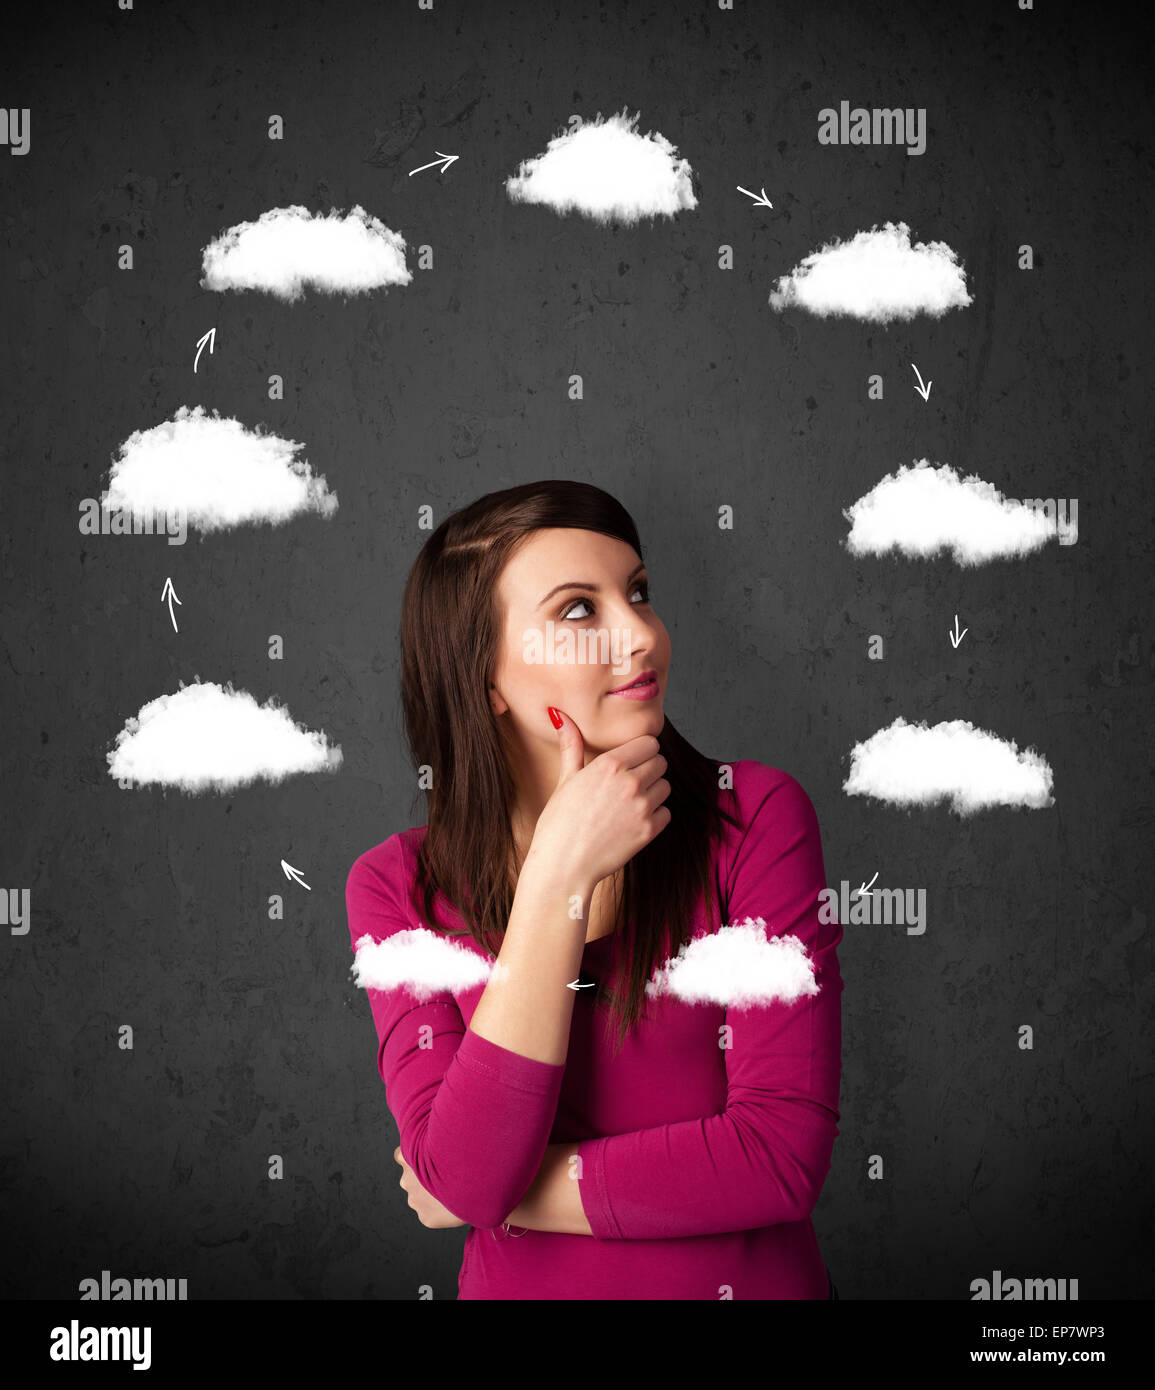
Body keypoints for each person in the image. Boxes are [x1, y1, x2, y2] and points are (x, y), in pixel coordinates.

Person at [346, 479, 844, 1299]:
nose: (641, 635)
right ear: (484, 682)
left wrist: (502, 1191)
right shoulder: (397, 889)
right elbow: (464, 1174)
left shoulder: (754, 818)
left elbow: (778, 1158)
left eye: (638, 593)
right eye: (579, 610)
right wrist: (556, 878)